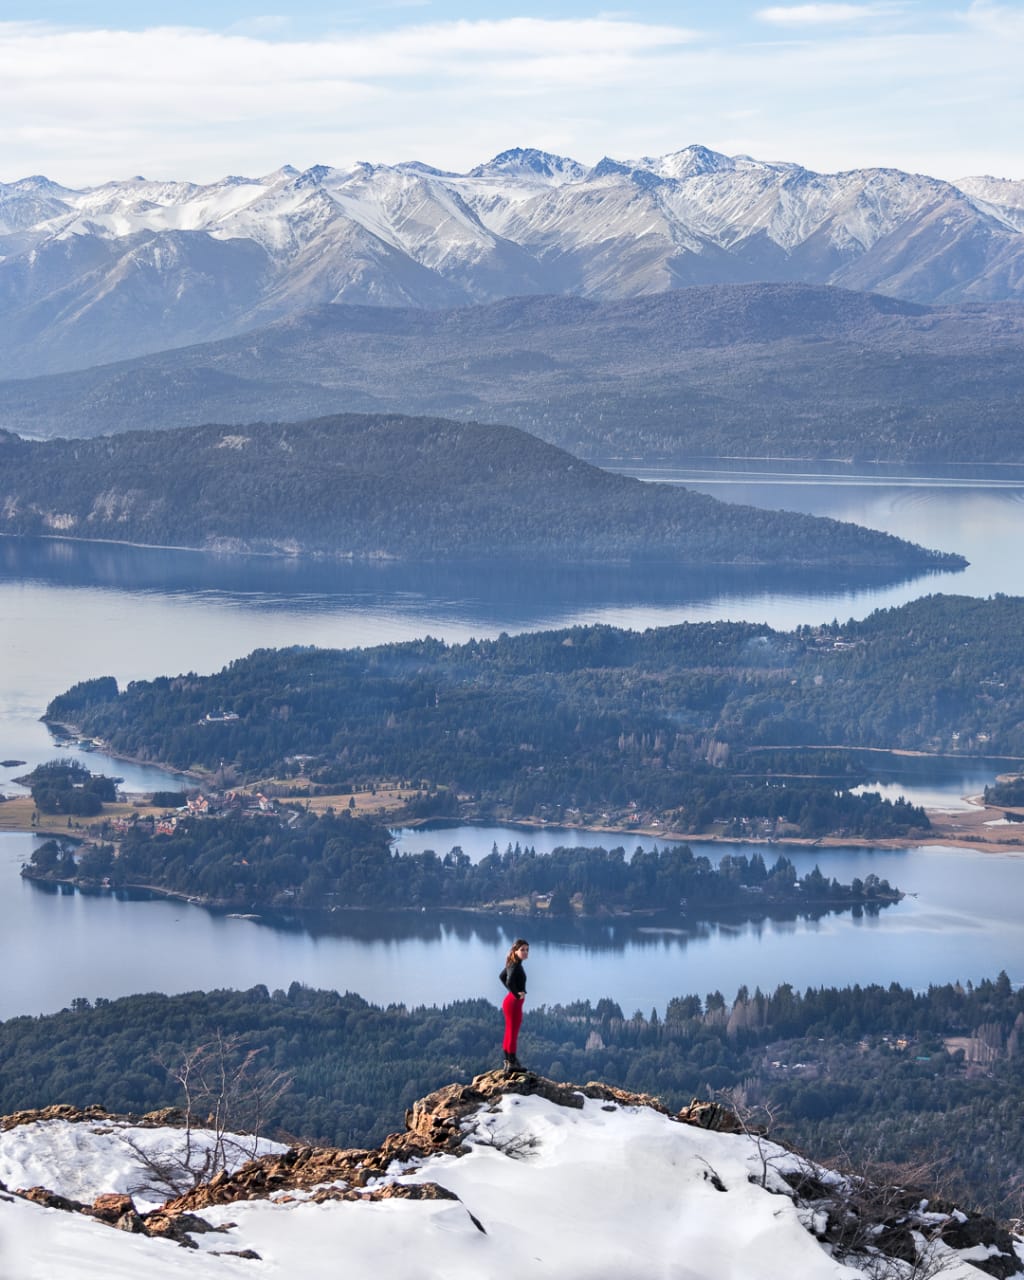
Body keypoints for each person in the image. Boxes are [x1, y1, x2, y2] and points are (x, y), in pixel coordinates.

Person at [499, 938, 529, 1073]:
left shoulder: (513, 963)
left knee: (509, 1031)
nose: (525, 952)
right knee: (513, 1032)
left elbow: (501, 976)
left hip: (511, 1002)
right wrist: (517, 994)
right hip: (513, 1003)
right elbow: (509, 981)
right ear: (515, 951)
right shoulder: (515, 965)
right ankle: (512, 1063)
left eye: (527, 950)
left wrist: (513, 993)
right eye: (522, 950)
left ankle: (509, 1061)